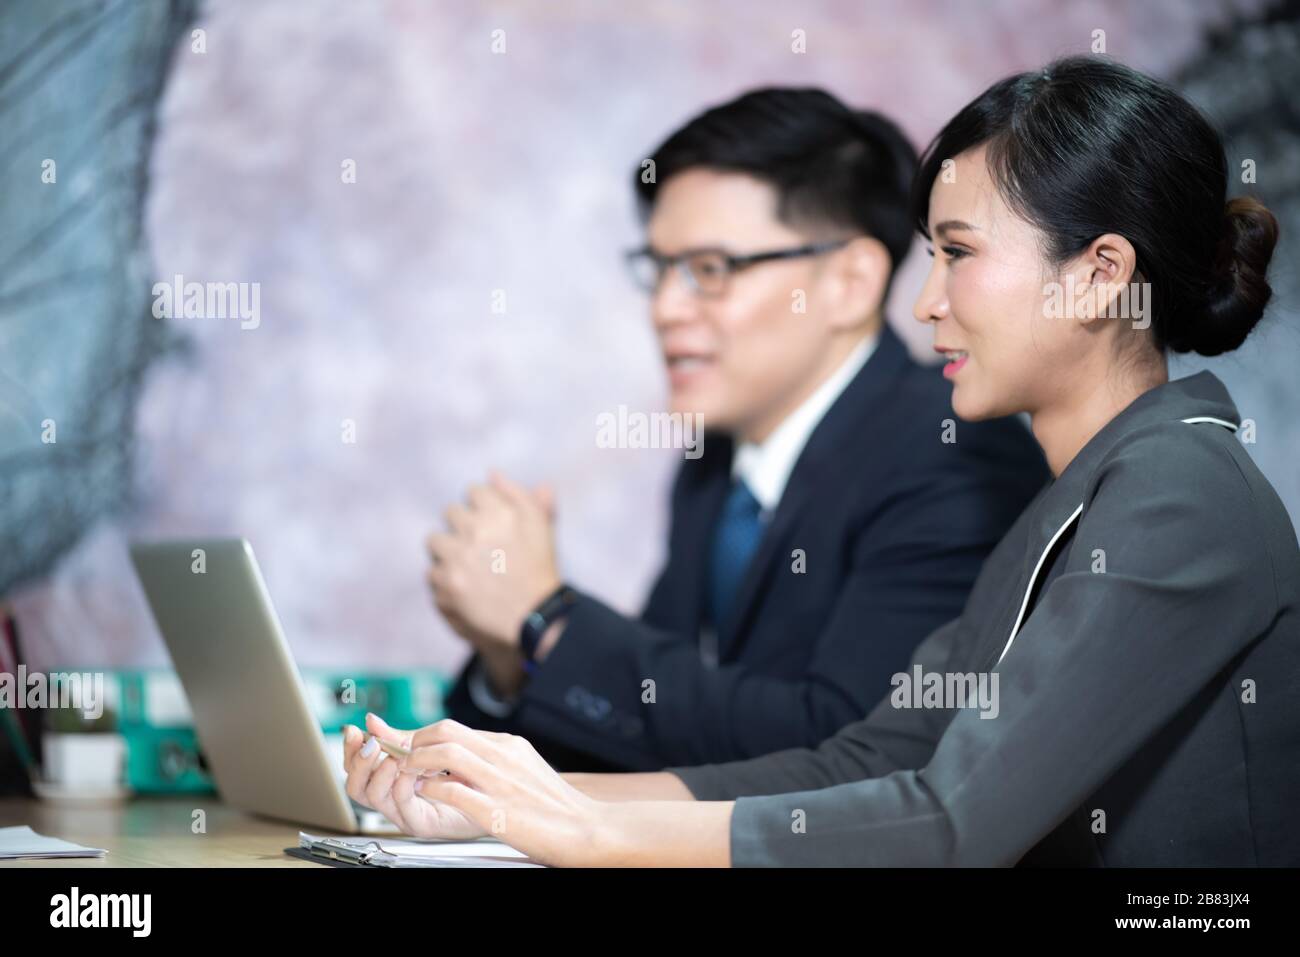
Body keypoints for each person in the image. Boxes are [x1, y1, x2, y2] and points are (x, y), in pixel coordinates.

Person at [344, 56, 1299, 866]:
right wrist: (500, 796)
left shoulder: (1177, 493)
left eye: (958, 253)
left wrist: (582, 828)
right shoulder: (1080, 500)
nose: (924, 302)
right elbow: (860, 764)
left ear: (1099, 276)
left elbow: (955, 820)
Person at [427, 88, 1047, 772]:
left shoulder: (954, 453)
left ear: (850, 280)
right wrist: (508, 656)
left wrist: (547, 620)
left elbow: (847, 750)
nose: (665, 307)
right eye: (660, 269)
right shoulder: (715, 458)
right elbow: (647, 725)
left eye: (709, 270)